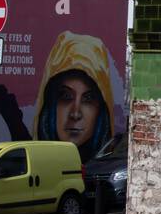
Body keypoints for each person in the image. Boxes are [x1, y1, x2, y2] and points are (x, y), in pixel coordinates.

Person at [33, 32, 115, 162]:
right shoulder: (37, 164)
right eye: (66, 96)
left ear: (101, 110)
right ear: (50, 104)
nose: (75, 114)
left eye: (88, 98)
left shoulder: (105, 168)